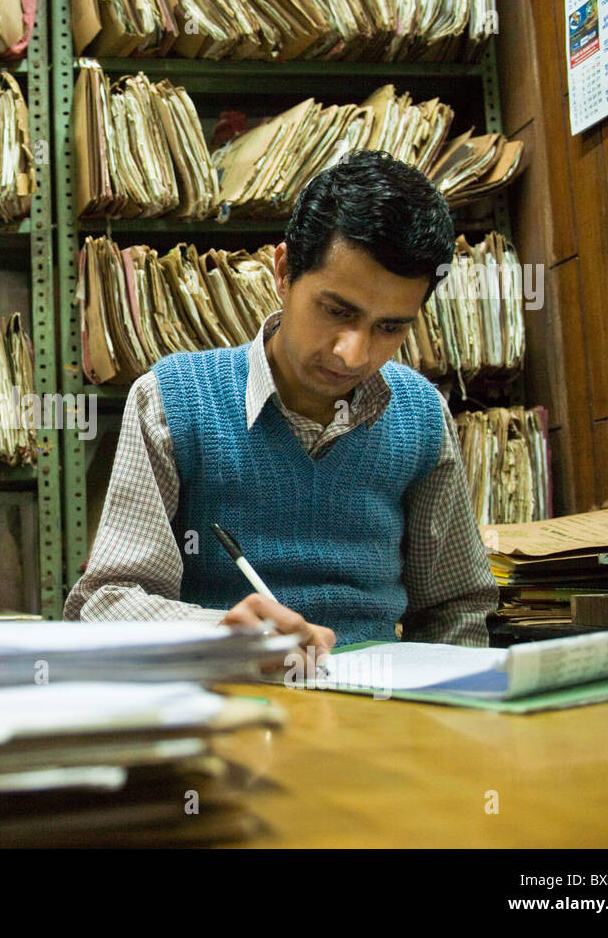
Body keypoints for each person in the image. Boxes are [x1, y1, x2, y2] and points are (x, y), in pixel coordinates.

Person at [63, 149, 499, 671]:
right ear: (284, 270)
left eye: (390, 328)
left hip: (384, 711)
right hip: (229, 703)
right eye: (337, 311)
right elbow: (105, 601)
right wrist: (219, 635)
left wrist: (447, 697)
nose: (353, 354)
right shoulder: (172, 399)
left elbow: (457, 608)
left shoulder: (421, 415)